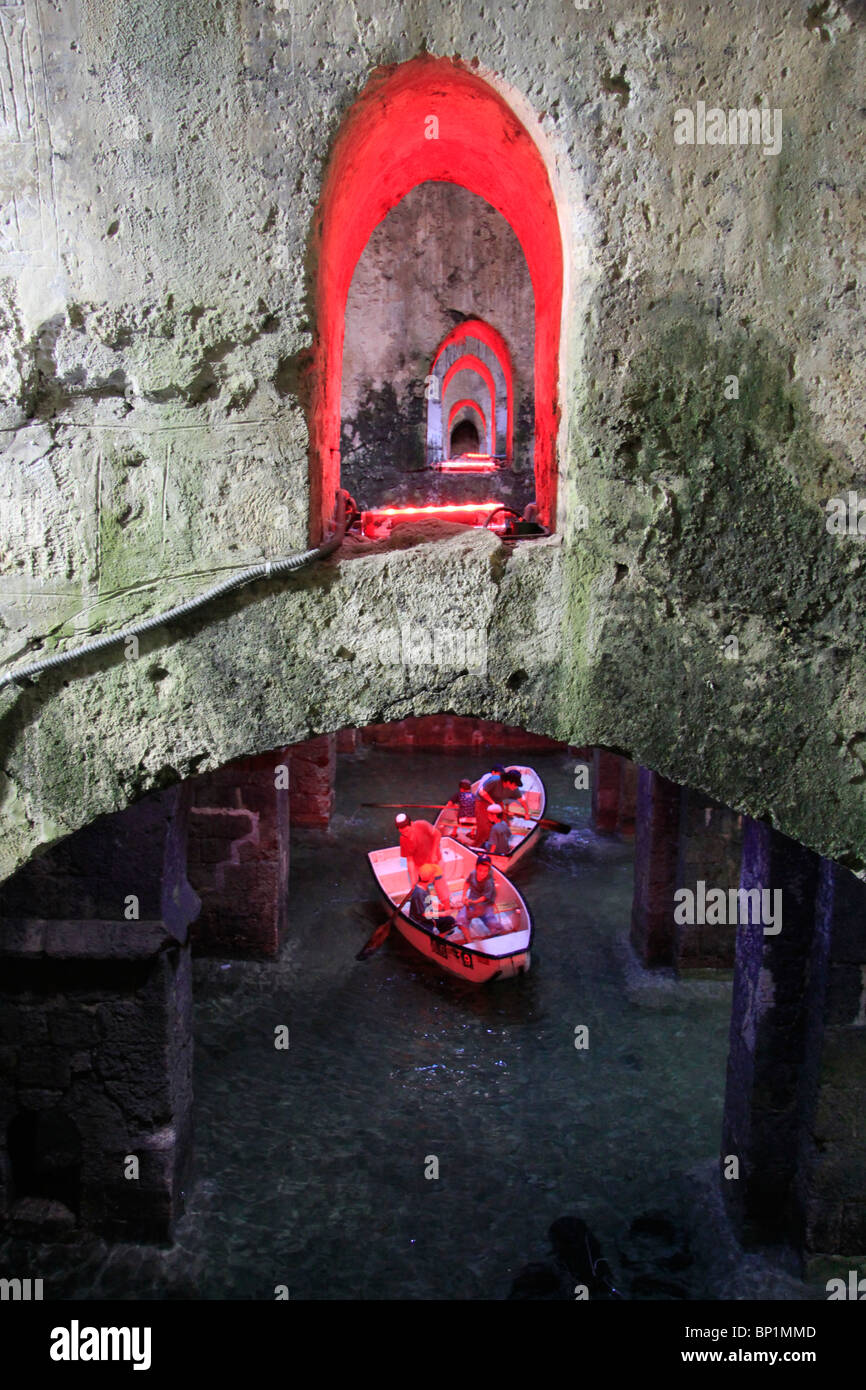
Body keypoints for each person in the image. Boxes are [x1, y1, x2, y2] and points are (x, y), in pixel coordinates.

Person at [395, 813, 449, 912]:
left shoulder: (422, 824)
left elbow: (437, 834)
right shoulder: (403, 839)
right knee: (424, 891)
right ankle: (434, 912)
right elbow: (410, 861)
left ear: (411, 824)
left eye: (407, 830)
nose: (405, 834)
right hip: (421, 867)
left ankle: (447, 909)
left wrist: (433, 853)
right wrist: (413, 882)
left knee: (440, 886)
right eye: (402, 832)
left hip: (435, 862)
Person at [473, 767, 523, 846]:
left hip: (497, 801)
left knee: (503, 824)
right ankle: (477, 845)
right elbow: (481, 792)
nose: (515, 786)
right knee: (484, 828)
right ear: (509, 781)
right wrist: (492, 803)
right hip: (482, 801)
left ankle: (497, 843)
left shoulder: (514, 788)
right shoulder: (495, 780)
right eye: (515, 784)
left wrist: (526, 813)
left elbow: (521, 800)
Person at [455, 855, 499, 940]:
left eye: (485, 871)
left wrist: (473, 902)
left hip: (485, 904)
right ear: (476, 867)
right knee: (461, 919)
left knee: (494, 925)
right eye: (480, 870)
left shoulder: (489, 882)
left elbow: (484, 898)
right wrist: (463, 896)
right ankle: (469, 941)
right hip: (472, 902)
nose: (482, 873)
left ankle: (496, 938)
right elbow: (467, 882)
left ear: (489, 870)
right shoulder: (473, 873)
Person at [408, 863, 456, 935]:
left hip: (429, 917)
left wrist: (440, 906)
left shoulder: (428, 886)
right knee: (428, 934)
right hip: (421, 921)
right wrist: (443, 913)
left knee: (450, 920)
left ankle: (441, 934)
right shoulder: (419, 893)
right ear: (431, 878)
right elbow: (425, 914)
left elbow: (430, 902)